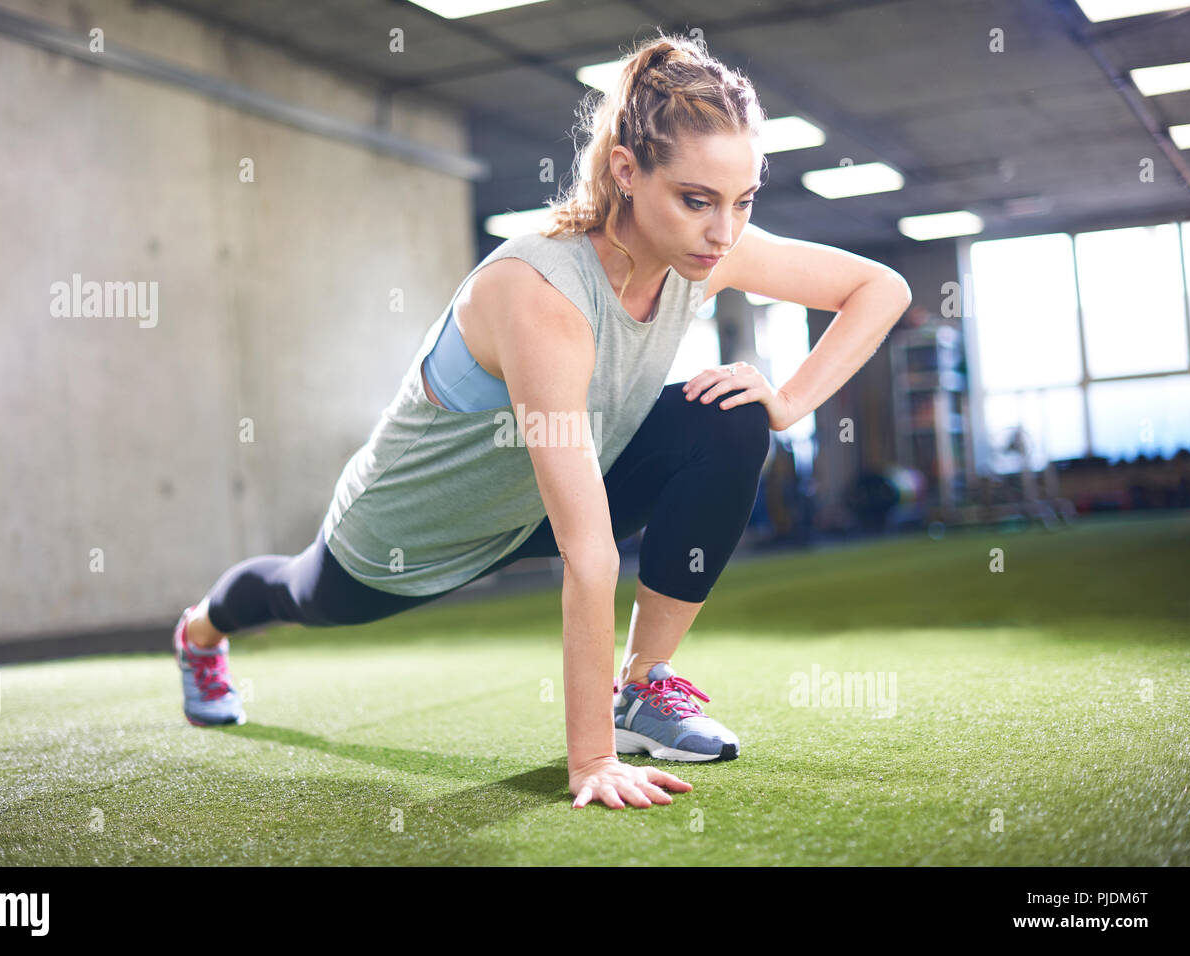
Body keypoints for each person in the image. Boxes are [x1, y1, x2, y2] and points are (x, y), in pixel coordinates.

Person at [172, 30, 912, 811]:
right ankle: (200, 633)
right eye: (696, 201)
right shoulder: (543, 293)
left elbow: (880, 288)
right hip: (411, 531)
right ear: (627, 172)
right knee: (300, 592)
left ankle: (644, 688)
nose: (723, 232)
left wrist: (788, 403)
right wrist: (589, 761)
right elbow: (589, 555)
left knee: (727, 421)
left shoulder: (708, 252)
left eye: (743, 202)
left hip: (547, 494)